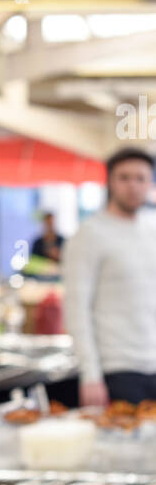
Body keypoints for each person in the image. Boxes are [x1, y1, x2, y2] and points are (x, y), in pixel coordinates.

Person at [63, 147, 156, 407]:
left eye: (141, 178)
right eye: (124, 177)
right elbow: (76, 309)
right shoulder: (89, 234)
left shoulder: (152, 229)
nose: (133, 186)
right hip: (116, 369)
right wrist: (90, 375)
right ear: (110, 181)